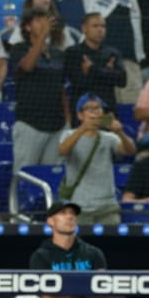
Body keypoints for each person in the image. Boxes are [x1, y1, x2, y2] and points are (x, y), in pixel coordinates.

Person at [55, 94, 136, 226]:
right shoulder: (69, 134)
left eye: (98, 108)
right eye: (89, 109)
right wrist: (83, 129)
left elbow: (130, 151)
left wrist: (120, 132)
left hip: (107, 207)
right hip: (80, 206)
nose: (95, 112)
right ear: (80, 115)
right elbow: (63, 151)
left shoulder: (109, 137)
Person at [7, 8, 70, 169]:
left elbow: (61, 88)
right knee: (24, 175)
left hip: (56, 125)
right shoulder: (19, 49)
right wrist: (41, 37)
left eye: (46, 20)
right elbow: (27, 67)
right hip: (30, 123)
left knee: (51, 176)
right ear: (27, 27)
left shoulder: (57, 54)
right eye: (38, 20)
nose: (44, 24)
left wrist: (67, 121)